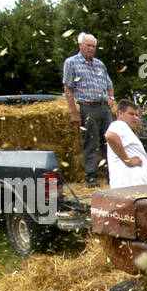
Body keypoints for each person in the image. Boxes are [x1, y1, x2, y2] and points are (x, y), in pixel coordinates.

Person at [62, 33, 116, 187]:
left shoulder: (100, 64)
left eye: (93, 46)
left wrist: (111, 98)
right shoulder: (71, 63)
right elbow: (68, 89)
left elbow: (109, 84)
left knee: (109, 141)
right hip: (87, 108)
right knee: (91, 143)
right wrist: (74, 112)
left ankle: (111, 174)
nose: (91, 49)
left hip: (103, 107)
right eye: (88, 45)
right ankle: (91, 177)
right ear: (80, 45)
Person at [104, 100, 147, 188]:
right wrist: (128, 161)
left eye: (137, 115)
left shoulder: (126, 130)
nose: (135, 118)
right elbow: (110, 136)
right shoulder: (118, 124)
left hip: (136, 188)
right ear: (120, 113)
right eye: (131, 114)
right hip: (128, 186)